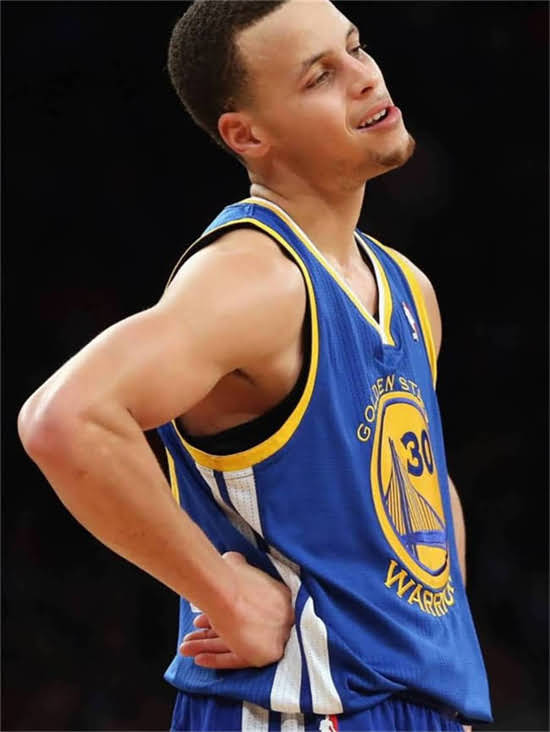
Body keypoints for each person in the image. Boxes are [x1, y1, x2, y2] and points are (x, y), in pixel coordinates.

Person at [18, 0, 493, 730]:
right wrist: (225, 594)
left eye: (356, 48)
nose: (365, 77)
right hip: (301, 707)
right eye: (319, 76)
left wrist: (431, 634)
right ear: (247, 135)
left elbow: (420, 488)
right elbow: (64, 419)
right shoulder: (255, 278)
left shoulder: (407, 286)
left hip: (416, 701)